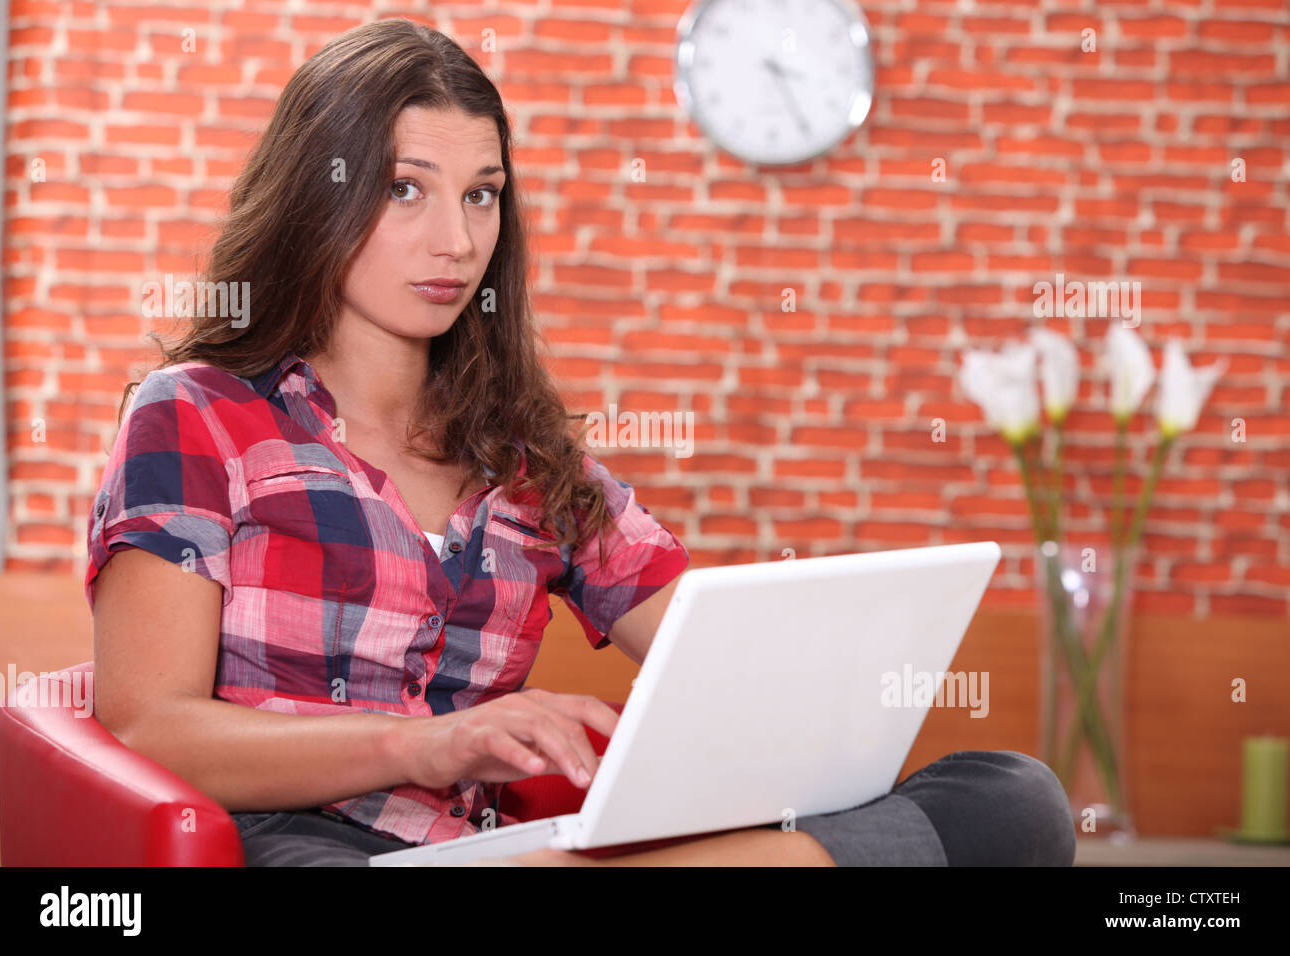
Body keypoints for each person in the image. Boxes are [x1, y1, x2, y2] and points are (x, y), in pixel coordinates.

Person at [86, 18, 1076, 867]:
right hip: (300, 844)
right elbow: (149, 724)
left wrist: (810, 730)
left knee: (1012, 795)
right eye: (404, 188)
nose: (455, 240)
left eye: (482, 193)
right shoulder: (199, 413)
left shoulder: (523, 458)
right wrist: (429, 744)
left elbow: (713, 652)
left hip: (486, 850)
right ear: (318, 195)